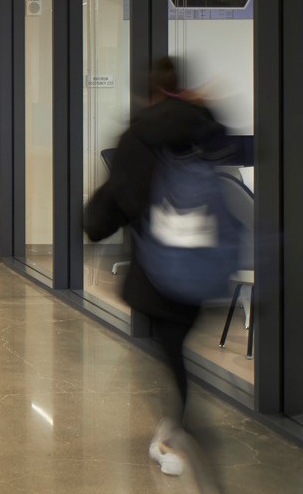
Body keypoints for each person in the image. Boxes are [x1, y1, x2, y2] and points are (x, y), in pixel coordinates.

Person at [84, 57, 228, 486]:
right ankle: (178, 425)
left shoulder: (137, 137)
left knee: (169, 354)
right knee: (176, 349)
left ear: (145, 92)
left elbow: (113, 204)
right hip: (203, 266)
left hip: (158, 270)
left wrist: (92, 222)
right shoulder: (205, 126)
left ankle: (178, 434)